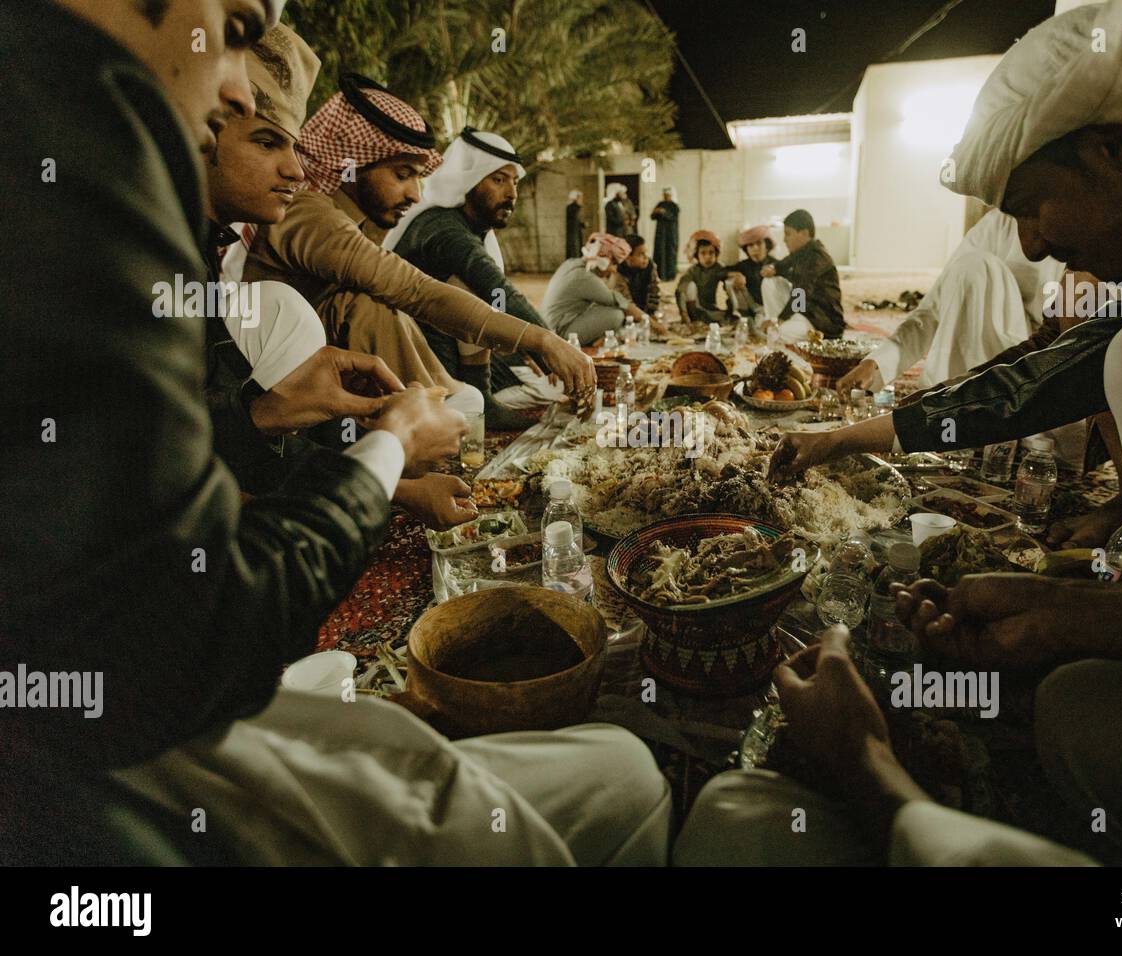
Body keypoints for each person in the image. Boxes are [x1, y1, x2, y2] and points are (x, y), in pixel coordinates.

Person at [1, 0, 670, 868]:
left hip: (116, 703)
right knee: (618, 778)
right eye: (235, 30)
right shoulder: (84, 162)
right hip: (113, 736)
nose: (233, 87)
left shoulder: (171, 229)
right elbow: (198, 627)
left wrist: (278, 413)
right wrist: (387, 456)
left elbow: (189, 457)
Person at [770, 0, 1122, 532]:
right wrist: (844, 439)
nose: (1031, 247)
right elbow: (1050, 373)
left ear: (1116, 150)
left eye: (1029, 208)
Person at [205, 23, 476, 526]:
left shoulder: (198, 250)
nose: (296, 170)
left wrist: (273, 411)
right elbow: (173, 477)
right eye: (267, 143)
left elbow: (224, 439)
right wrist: (391, 453)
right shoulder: (310, 216)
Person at [239, 73, 593, 415]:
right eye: (402, 174)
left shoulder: (351, 219)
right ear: (352, 164)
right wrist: (541, 341)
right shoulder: (311, 213)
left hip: (335, 369)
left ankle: (435, 403)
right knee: (366, 304)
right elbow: (420, 292)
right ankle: (414, 416)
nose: (415, 193)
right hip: (272, 385)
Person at [384, 126, 555, 429]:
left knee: (540, 382)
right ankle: (480, 402)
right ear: (468, 180)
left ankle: (483, 396)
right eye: (499, 180)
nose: (511, 193)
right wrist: (553, 347)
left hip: (455, 353)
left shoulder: (463, 226)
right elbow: (496, 289)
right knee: (542, 386)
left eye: (514, 182)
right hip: (418, 362)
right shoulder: (443, 229)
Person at [837, 210, 1065, 393]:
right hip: (969, 369)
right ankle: (950, 400)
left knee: (981, 269)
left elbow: (1061, 339)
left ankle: (961, 399)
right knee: (973, 267)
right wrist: (876, 364)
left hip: (1029, 366)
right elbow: (932, 310)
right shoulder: (997, 224)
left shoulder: (1074, 236)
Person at [541, 232, 647, 345]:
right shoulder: (585, 277)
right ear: (603, 260)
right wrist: (656, 326)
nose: (614, 269)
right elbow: (624, 304)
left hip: (553, 326)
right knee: (616, 315)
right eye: (613, 263)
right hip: (559, 332)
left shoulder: (571, 263)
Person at [759, 209, 845, 342]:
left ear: (804, 233)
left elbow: (800, 293)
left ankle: (779, 328)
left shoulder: (817, 258)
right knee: (769, 282)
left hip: (822, 322)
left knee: (778, 333)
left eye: (788, 234)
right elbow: (785, 263)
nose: (784, 240)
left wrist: (779, 320)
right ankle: (778, 326)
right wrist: (773, 268)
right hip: (805, 312)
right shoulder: (803, 251)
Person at [675, 230, 731, 324]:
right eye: (703, 253)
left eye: (711, 253)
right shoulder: (693, 270)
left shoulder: (718, 268)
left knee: (733, 282)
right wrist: (683, 313)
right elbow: (680, 291)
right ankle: (694, 318)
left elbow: (729, 280)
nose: (707, 257)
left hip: (711, 307)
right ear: (697, 255)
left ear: (716, 254)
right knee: (690, 286)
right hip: (693, 309)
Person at [723, 224, 779, 318]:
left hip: (772, 310)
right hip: (749, 311)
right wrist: (735, 274)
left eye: (759, 243)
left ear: (767, 245)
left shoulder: (777, 264)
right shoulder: (743, 265)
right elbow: (719, 272)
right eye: (750, 245)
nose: (755, 248)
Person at [615, 234, 662, 315]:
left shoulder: (650, 266)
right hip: (627, 309)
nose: (645, 257)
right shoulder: (618, 271)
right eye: (641, 254)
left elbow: (654, 291)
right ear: (628, 258)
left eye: (645, 253)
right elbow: (626, 302)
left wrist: (651, 312)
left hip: (643, 307)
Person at [650, 186, 680, 280]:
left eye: (668, 195)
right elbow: (652, 216)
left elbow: (673, 217)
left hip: (671, 234)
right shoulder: (660, 204)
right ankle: (660, 275)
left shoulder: (674, 206)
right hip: (660, 234)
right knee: (660, 252)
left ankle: (670, 275)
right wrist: (656, 212)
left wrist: (663, 212)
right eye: (665, 195)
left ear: (671, 196)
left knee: (670, 253)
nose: (666, 197)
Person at [565, 188, 586, 259]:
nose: (582, 200)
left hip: (576, 234)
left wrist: (582, 224)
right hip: (574, 235)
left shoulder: (575, 208)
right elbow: (574, 222)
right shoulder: (572, 208)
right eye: (580, 198)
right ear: (576, 198)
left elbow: (576, 221)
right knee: (574, 252)